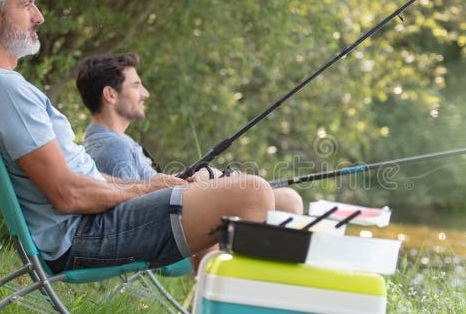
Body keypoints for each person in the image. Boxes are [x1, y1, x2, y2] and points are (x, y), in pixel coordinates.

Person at [0, 0, 274, 274]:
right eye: (26, 6)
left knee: (220, 185)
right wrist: (144, 191)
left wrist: (147, 184)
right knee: (251, 193)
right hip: (84, 235)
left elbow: (79, 177)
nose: (39, 16)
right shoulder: (2, 89)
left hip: (89, 225)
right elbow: (68, 194)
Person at [73, 52, 304, 214]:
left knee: (279, 197)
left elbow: (144, 188)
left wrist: (204, 180)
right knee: (285, 200)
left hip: (173, 217)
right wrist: (208, 185)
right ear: (110, 95)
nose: (145, 93)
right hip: (167, 232)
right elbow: (129, 211)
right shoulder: (113, 147)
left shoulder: (113, 140)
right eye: (136, 86)